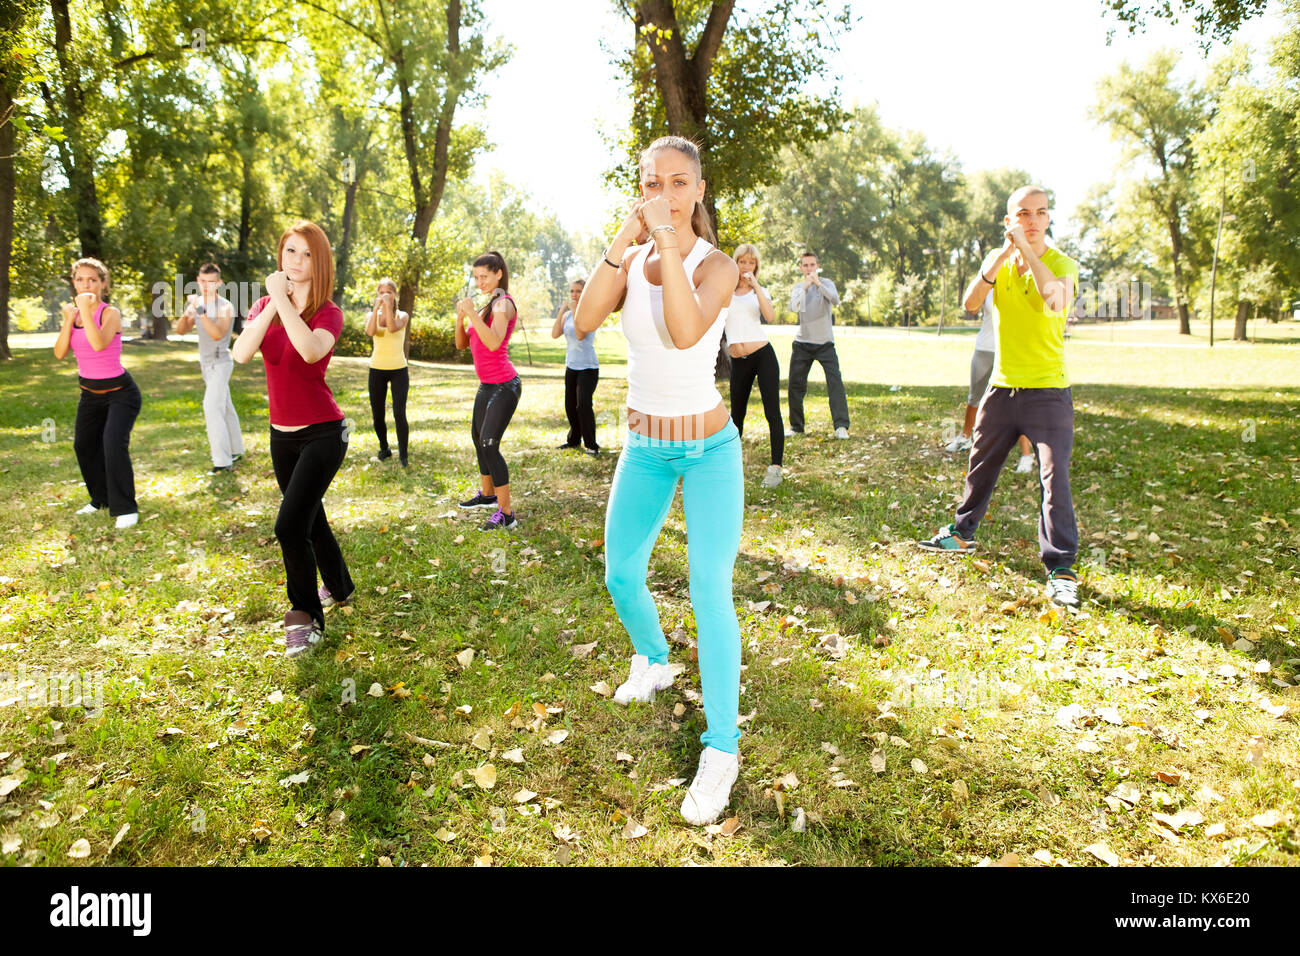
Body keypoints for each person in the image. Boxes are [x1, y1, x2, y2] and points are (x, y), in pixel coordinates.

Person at [574, 135, 742, 827]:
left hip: (707, 451)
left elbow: (683, 333)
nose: (665, 194)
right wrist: (625, 239)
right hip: (645, 448)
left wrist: (669, 244)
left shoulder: (718, 265)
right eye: (652, 182)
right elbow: (584, 322)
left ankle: (722, 750)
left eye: (678, 182)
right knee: (620, 574)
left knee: (708, 589)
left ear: (698, 190)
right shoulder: (633, 253)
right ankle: (654, 658)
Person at [918, 186, 1081, 607]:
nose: (1032, 220)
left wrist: (1026, 253)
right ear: (1008, 221)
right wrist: (993, 266)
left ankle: (1061, 569)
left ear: (1047, 219)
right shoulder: (1000, 263)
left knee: (1053, 477)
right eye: (1023, 214)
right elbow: (970, 303)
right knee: (980, 465)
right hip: (1003, 388)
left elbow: (1054, 301)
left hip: (1048, 390)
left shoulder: (1062, 264)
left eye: (1040, 213)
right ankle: (960, 533)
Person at [232, 221, 354, 657]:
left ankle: (305, 618)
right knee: (310, 519)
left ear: (319, 262)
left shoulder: (328, 312)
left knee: (288, 525)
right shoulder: (266, 305)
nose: (296, 262)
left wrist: (282, 300)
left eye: (305, 254)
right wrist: (271, 302)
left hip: (324, 433)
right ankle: (339, 586)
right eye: (289, 252)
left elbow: (308, 351)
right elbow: (241, 353)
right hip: (280, 437)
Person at [53, 258, 141, 529]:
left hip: (121, 394)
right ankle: (99, 499)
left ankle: (125, 507)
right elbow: (59, 353)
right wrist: (69, 319)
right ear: (74, 282)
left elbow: (98, 344)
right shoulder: (73, 314)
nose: (86, 284)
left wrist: (85, 311)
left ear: (103, 284)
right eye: (80, 279)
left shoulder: (109, 313)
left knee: (112, 444)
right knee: (83, 445)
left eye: (92, 279)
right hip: (90, 394)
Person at [455, 251, 522, 531]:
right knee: (477, 437)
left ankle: (506, 513)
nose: (479, 281)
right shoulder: (486, 306)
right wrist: (460, 319)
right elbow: (461, 344)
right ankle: (487, 494)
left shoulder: (503, 304)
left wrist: (470, 312)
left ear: (498, 274)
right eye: (476, 277)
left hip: (505, 386)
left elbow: (494, 342)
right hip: (487, 386)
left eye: (484, 276)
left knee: (489, 444)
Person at [945, 291, 1035, 474]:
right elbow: (970, 307)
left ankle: (1027, 455)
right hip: (985, 348)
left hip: (1011, 350)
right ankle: (965, 437)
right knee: (975, 397)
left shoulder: (1020, 279)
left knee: (1017, 402)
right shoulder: (988, 280)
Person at [176, 263, 245, 475]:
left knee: (211, 407)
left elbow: (216, 333)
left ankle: (222, 462)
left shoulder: (225, 306)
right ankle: (236, 449)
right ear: (198, 280)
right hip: (205, 364)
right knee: (224, 406)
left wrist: (199, 309)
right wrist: (188, 312)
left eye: (211, 282)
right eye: (203, 282)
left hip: (221, 363)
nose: (206, 286)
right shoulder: (197, 304)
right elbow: (180, 330)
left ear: (219, 283)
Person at [724, 243, 783, 487]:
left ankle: (776, 468)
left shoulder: (760, 291)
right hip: (739, 361)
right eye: (742, 262)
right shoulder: (725, 292)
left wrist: (756, 286)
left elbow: (769, 316)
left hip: (763, 355)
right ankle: (729, 467)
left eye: (751, 263)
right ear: (735, 263)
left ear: (755, 266)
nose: (746, 266)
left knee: (772, 412)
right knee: (736, 415)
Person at [786, 251, 850, 439]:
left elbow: (835, 300)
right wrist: (805, 287)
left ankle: (841, 426)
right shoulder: (799, 287)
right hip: (802, 344)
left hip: (825, 344)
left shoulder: (827, 283)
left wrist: (817, 284)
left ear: (817, 266)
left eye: (812, 265)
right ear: (801, 268)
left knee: (835, 383)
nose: (809, 269)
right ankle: (796, 427)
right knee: (795, 385)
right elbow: (793, 308)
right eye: (805, 265)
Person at [550, 278, 600, 454]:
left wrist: (573, 310)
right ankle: (573, 440)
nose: (574, 294)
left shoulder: (590, 313)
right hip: (571, 366)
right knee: (570, 406)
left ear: (585, 293)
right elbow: (555, 334)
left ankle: (591, 445)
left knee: (583, 405)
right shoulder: (567, 315)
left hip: (588, 367)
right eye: (572, 291)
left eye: (578, 291)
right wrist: (563, 311)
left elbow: (580, 335)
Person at [364, 277, 410, 467]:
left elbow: (391, 328)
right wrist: (376, 310)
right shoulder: (371, 315)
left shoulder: (402, 315)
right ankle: (384, 448)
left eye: (388, 292)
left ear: (395, 294)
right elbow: (370, 332)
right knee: (377, 414)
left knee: (399, 413)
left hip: (399, 369)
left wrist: (389, 307)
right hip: (377, 369)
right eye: (381, 292)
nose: (384, 295)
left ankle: (403, 455)